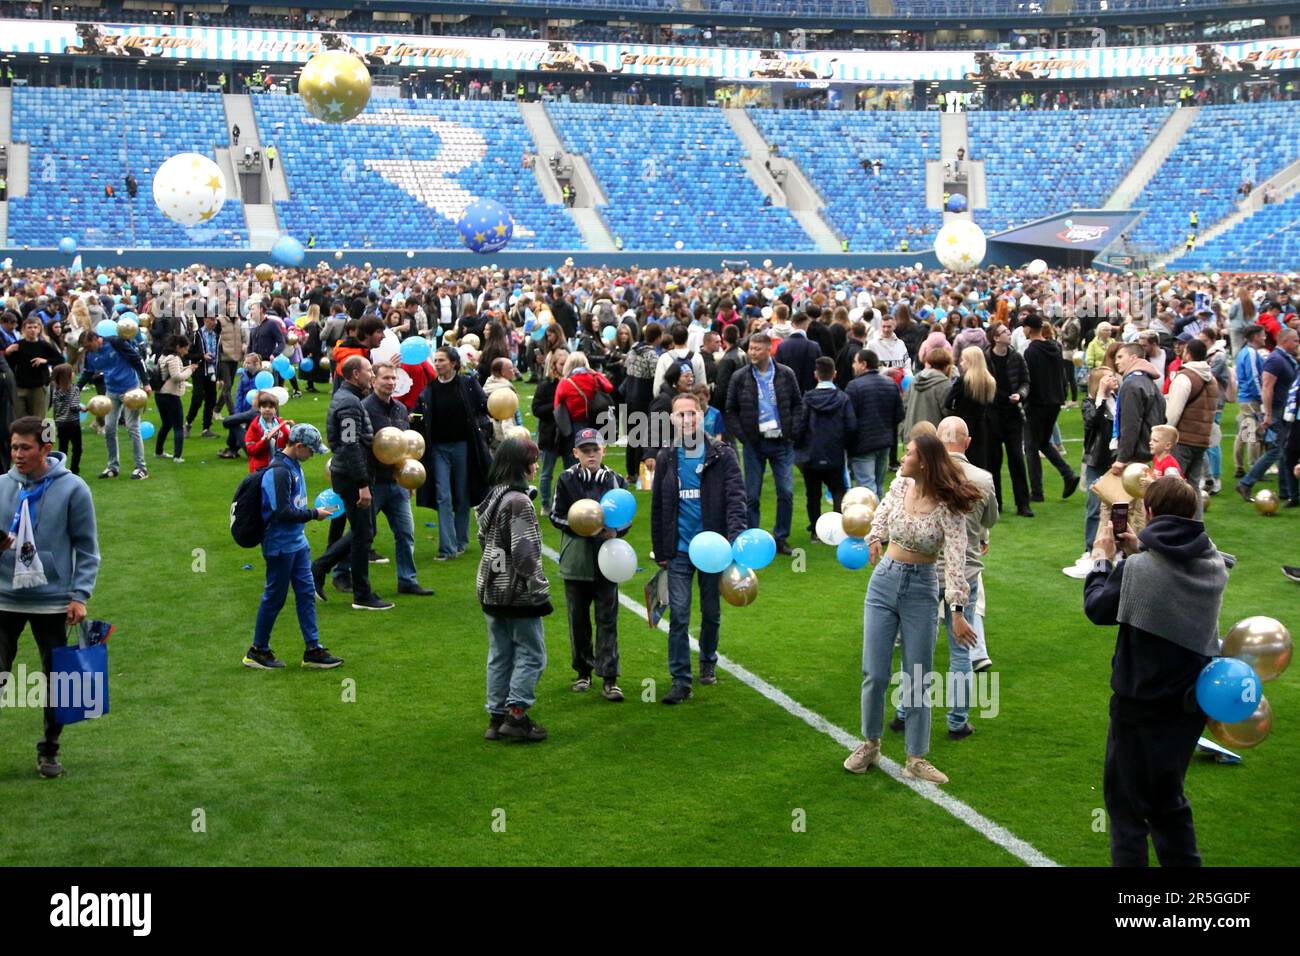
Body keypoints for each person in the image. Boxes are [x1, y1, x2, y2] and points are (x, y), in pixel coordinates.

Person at [1084, 476, 1225, 867]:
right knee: (1169, 803)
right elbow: (1174, 562)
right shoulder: (1212, 561)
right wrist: (1139, 548)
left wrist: (1102, 559)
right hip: (1188, 704)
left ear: (1149, 512)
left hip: (1139, 703)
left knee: (1127, 809)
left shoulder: (1142, 572)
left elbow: (1098, 608)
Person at [846, 433, 980, 785]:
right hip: (884, 581)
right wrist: (875, 536)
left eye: (907, 453)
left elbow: (955, 560)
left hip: (922, 587)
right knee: (874, 672)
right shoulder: (901, 483)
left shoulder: (949, 507)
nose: (901, 457)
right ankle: (870, 744)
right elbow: (883, 513)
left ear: (924, 462)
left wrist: (956, 610)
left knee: (918, 676)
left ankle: (916, 757)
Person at [0, 416, 100, 778]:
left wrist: (79, 595)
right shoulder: (0, 486)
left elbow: (88, 548)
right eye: (13, 447)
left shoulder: (74, 489)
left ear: (45, 448)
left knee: (58, 680)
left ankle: (50, 750)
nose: (17, 454)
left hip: (53, 599)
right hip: (3, 599)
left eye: (25, 447)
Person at [651, 391, 746, 704]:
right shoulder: (666, 457)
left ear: (702, 416)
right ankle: (680, 680)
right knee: (678, 614)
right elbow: (658, 507)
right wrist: (661, 549)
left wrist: (734, 540)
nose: (687, 419)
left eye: (692, 413)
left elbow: (736, 499)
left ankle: (708, 660)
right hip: (678, 550)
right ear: (672, 420)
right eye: (681, 414)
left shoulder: (722, 453)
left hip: (713, 548)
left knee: (711, 611)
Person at [243, 424, 343, 671]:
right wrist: (314, 514)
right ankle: (258, 650)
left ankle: (313, 649)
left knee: (306, 594)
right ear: (298, 447)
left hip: (297, 543)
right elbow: (282, 511)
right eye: (310, 451)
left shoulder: (291, 465)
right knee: (274, 598)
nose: (312, 456)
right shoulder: (279, 472)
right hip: (280, 545)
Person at [478, 436, 552, 742]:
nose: (536, 466)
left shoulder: (494, 495)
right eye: (532, 460)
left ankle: (496, 717)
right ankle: (517, 714)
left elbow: (487, 541)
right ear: (521, 465)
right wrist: (538, 587)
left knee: (501, 652)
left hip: (491, 587)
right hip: (516, 591)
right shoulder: (519, 501)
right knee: (533, 654)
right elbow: (523, 553)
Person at [549, 427, 627, 702]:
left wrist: (615, 532)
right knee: (578, 620)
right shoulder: (566, 479)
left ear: (603, 451)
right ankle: (583, 671)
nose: (591, 455)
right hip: (576, 560)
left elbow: (626, 518)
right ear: (575, 453)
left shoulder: (616, 480)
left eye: (595, 450)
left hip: (609, 560)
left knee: (608, 618)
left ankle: (610, 677)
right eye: (585, 451)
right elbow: (556, 516)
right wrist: (583, 527)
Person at [311, 355, 393, 612]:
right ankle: (360, 593)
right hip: (351, 476)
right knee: (363, 533)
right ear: (355, 374)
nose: (372, 375)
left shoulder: (348, 399)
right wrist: (362, 484)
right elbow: (350, 445)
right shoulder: (348, 404)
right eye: (369, 371)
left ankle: (323, 568)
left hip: (349, 474)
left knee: (364, 532)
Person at [725, 332, 801, 555]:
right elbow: (730, 409)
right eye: (750, 348)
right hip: (754, 443)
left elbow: (798, 404)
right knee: (751, 495)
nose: (752, 352)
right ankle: (752, 538)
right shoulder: (740, 377)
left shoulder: (786, 374)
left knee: (786, 492)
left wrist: (793, 431)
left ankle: (781, 537)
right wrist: (743, 436)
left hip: (782, 442)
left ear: (769, 349)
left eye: (757, 349)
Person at [415, 346, 491, 561]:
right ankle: (447, 547)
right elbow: (418, 416)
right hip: (438, 449)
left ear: (454, 363)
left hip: (463, 447)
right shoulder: (429, 390)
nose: (437, 364)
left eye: (442, 360)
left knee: (462, 494)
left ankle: (461, 541)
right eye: (436, 360)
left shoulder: (468, 384)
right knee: (443, 496)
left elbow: (485, 407)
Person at [363, 362, 432, 597]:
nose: (391, 382)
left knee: (405, 532)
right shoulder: (364, 409)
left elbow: (404, 447)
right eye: (386, 378)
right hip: (373, 482)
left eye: (393, 379)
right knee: (364, 533)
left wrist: (406, 477)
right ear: (374, 380)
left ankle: (407, 580)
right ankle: (342, 572)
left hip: (396, 483)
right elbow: (361, 448)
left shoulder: (401, 409)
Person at [79, 329, 152, 481]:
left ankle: (141, 467)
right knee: (110, 428)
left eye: (87, 346)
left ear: (95, 339)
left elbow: (136, 359)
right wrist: (75, 390)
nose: (87, 350)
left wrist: (145, 383)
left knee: (133, 427)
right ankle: (113, 466)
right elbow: (87, 373)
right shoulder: (90, 354)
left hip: (131, 389)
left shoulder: (115, 342)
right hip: (111, 391)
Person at [1237, 327, 1298, 506]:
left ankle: (1286, 490)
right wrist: (1268, 414)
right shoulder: (1275, 360)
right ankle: (1246, 482)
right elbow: (1266, 387)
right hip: (1273, 410)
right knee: (1274, 449)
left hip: (1282, 410)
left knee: (1281, 450)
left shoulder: (1283, 358)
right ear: (1284, 341)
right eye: (1295, 340)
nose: (1297, 343)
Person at [1022, 316, 1081, 501]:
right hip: (1054, 402)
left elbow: (1029, 379)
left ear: (1029, 329)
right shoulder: (1055, 347)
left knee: (1032, 446)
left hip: (1037, 403)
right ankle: (1068, 474)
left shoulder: (1031, 351)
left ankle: (1037, 492)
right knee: (1044, 442)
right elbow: (1062, 376)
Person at [796, 357, 856, 534]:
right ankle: (837, 528)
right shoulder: (843, 398)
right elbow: (851, 426)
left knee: (813, 493)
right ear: (834, 374)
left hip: (811, 453)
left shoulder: (807, 399)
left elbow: (800, 426)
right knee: (838, 490)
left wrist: (800, 446)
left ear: (816, 375)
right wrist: (844, 444)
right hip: (834, 452)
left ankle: (815, 529)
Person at [983, 322, 1033, 516]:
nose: (1009, 333)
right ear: (996, 338)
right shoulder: (986, 358)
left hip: (1012, 414)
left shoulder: (1016, 357)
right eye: (1004, 332)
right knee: (993, 462)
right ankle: (997, 504)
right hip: (992, 414)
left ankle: (1023, 504)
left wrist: (1020, 394)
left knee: (1017, 460)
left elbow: (1026, 381)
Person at [845, 348, 903, 495]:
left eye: (855, 362)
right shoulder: (890, 384)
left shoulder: (854, 386)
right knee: (877, 486)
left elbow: (848, 419)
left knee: (867, 489)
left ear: (863, 364)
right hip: (884, 442)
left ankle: (874, 518)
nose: (853, 365)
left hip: (862, 445)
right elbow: (899, 415)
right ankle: (881, 516)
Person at [1164, 338, 1218, 490]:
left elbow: (1173, 413)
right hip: (1202, 439)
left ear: (1188, 355)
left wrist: (1165, 437)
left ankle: (1174, 514)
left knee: (1174, 486)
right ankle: (1195, 515)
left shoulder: (1185, 377)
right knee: (1193, 487)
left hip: (1182, 439)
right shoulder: (1212, 379)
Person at [943, 345, 996, 472]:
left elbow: (948, 402)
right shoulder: (989, 381)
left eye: (963, 360)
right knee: (980, 460)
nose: (961, 363)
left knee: (963, 459)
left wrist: (957, 409)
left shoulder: (964, 381)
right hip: (982, 425)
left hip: (965, 424)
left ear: (970, 361)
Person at [532, 347, 570, 516]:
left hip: (568, 433)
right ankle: (546, 504)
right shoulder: (546, 385)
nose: (565, 367)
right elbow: (536, 409)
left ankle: (566, 502)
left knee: (570, 471)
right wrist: (556, 405)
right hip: (550, 434)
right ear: (555, 365)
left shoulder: (572, 383)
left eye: (568, 363)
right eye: (562, 363)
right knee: (546, 472)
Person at [7, 315, 63, 420]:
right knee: (20, 418)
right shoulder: (18, 345)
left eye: (35, 327)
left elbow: (60, 359)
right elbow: (9, 364)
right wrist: (8, 352)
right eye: (29, 327)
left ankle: (40, 436)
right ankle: (25, 436)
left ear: (39, 329)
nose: (32, 330)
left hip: (39, 387)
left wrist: (45, 361)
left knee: (38, 419)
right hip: (21, 386)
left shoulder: (44, 345)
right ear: (23, 329)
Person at [154, 335, 196, 463]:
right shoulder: (174, 358)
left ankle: (159, 451)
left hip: (160, 394)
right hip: (170, 395)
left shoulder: (163, 356)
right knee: (178, 426)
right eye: (185, 348)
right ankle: (177, 456)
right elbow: (176, 376)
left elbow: (168, 372)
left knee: (166, 424)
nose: (186, 352)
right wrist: (190, 371)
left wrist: (186, 368)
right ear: (178, 347)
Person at [1232, 324, 1267, 477]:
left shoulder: (1243, 352)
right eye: (1263, 335)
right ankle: (1255, 469)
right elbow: (1254, 377)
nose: (1265, 337)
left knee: (1244, 433)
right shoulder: (1251, 353)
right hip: (1251, 399)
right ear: (1255, 337)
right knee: (1255, 434)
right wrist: (1262, 397)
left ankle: (1239, 467)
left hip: (1245, 398)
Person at [902, 347, 954, 438]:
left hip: (912, 432)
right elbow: (947, 412)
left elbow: (905, 406)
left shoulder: (914, 380)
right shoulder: (944, 384)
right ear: (946, 365)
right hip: (934, 435)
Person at [185, 313, 221, 437]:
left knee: (211, 400)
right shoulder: (196, 335)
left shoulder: (216, 336)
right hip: (200, 371)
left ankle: (206, 428)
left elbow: (218, 357)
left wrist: (219, 375)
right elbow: (187, 354)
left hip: (212, 372)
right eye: (212, 319)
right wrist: (202, 356)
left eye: (216, 319)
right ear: (205, 320)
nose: (215, 322)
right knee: (197, 398)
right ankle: (188, 422)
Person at [776, 311, 822, 394]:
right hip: (809, 391)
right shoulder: (814, 347)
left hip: (788, 391)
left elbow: (777, 371)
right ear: (807, 324)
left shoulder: (782, 346)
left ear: (792, 324)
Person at [243, 391, 289, 472]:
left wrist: (293, 429)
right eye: (264, 407)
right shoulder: (255, 426)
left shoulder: (280, 424)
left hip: (279, 466)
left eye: (271, 407)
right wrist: (264, 441)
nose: (267, 409)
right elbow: (251, 450)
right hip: (260, 469)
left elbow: (289, 442)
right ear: (259, 408)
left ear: (275, 409)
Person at [49, 364, 83, 475]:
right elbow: (74, 407)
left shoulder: (55, 390)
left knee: (63, 449)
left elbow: (55, 409)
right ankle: (74, 471)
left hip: (61, 424)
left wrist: (56, 421)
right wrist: (82, 408)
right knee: (77, 448)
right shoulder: (74, 389)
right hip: (73, 423)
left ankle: (60, 470)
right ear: (67, 376)